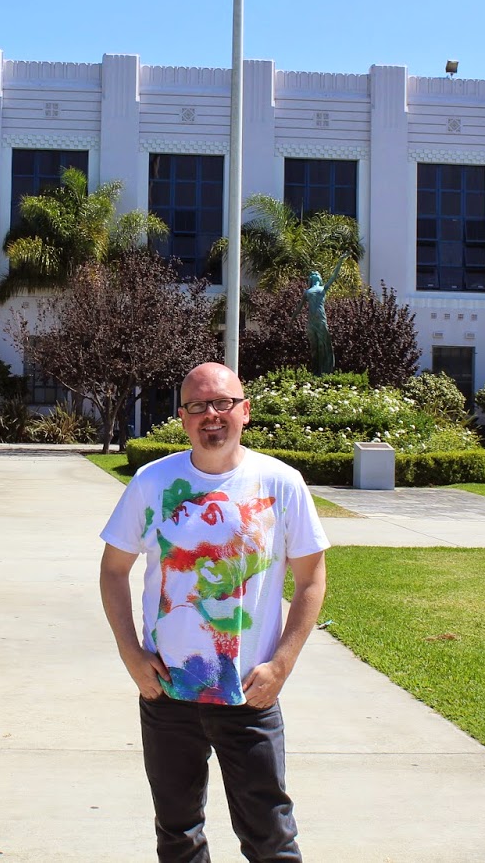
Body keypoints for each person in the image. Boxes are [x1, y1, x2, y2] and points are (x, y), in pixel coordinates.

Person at [99, 361, 329, 862]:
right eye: (198, 406)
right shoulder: (152, 482)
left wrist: (283, 663)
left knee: (271, 836)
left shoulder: (281, 483)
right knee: (178, 833)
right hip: (166, 691)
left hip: (249, 692)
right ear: (182, 417)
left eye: (222, 403)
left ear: (244, 411)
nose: (211, 416)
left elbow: (311, 579)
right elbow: (113, 570)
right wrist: (131, 655)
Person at [300, 261, 343, 376]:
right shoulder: (307, 292)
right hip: (311, 321)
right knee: (314, 346)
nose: (314, 274)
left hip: (321, 319)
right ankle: (316, 371)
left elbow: (334, 276)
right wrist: (291, 320)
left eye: (316, 274)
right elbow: (299, 308)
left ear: (319, 278)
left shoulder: (323, 289)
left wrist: (341, 261)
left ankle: (325, 371)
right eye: (312, 274)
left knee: (322, 344)